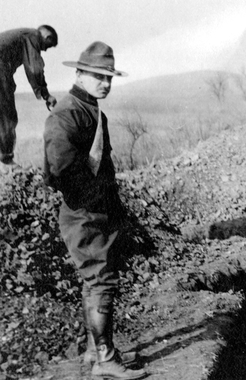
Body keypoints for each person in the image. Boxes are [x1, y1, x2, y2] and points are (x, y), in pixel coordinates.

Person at [43, 42, 145, 379]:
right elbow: (61, 169)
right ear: (79, 75)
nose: (105, 83)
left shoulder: (91, 110)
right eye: (98, 76)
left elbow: (102, 167)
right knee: (101, 281)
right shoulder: (67, 113)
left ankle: (95, 350)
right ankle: (106, 360)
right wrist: (92, 200)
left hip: (97, 211)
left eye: (109, 77)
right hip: (83, 212)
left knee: (96, 280)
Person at [0, 25, 58, 169]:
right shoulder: (33, 35)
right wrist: (46, 95)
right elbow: (34, 68)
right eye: (48, 46)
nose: (45, 50)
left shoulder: (24, 34)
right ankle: (6, 159)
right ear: (47, 37)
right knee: (7, 116)